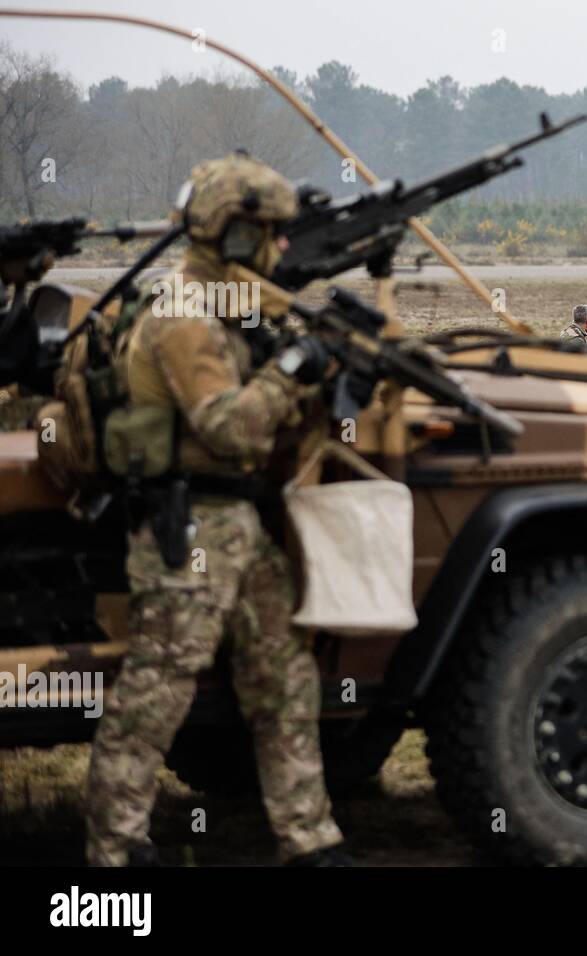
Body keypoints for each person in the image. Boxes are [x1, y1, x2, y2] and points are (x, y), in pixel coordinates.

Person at [85, 154, 349, 867]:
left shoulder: (231, 299)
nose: (282, 246)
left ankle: (309, 840)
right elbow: (227, 426)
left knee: (284, 678)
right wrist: (293, 368)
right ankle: (115, 853)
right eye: (270, 232)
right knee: (156, 691)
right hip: (190, 525)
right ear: (234, 233)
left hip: (236, 524)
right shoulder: (181, 314)